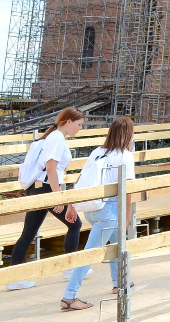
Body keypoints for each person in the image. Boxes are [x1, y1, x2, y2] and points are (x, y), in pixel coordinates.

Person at [58, 116, 135, 310]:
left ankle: (119, 282)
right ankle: (69, 297)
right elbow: (128, 190)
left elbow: (82, 179)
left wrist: (72, 205)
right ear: (128, 135)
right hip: (110, 211)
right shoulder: (125, 155)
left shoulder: (98, 152)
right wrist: (126, 218)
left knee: (117, 244)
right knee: (89, 255)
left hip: (92, 208)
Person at [8, 107, 86, 293]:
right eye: (79, 124)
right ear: (68, 122)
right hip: (45, 188)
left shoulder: (53, 138)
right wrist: (57, 195)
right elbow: (51, 169)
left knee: (28, 233)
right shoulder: (57, 138)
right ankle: (69, 268)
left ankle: (13, 278)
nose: (80, 128)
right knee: (74, 224)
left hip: (38, 188)